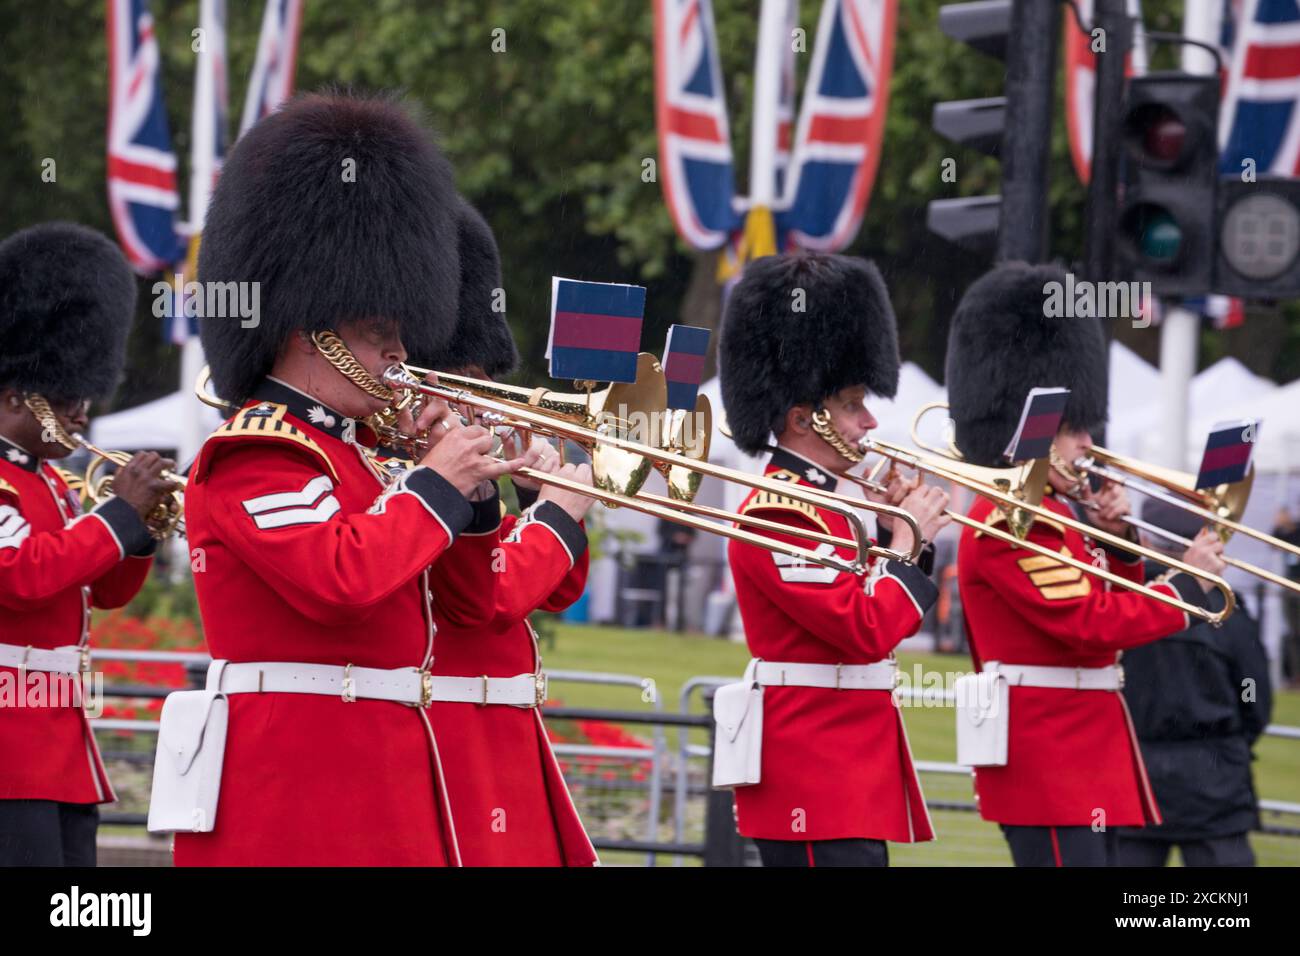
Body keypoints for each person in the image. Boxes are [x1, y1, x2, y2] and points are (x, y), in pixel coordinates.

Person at [173, 92, 534, 866]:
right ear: (312, 325)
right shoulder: (257, 451)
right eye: (380, 336)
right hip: (298, 800)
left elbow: (470, 606)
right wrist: (433, 485)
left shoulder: (367, 456)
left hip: (397, 788)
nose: (398, 360)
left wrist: (471, 499)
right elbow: (340, 579)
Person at [948, 261, 1228, 867]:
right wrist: (1187, 582)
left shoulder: (1058, 515)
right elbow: (1089, 623)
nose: (1088, 441)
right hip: (1046, 761)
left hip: (1088, 752)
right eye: (1074, 427)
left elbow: (1104, 617)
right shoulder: (1009, 522)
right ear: (1035, 428)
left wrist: (1122, 540)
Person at [718, 252, 950, 867]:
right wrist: (907, 545)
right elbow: (863, 628)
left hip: (844, 777)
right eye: (851, 404)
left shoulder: (828, 509)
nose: (869, 421)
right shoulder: (778, 513)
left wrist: (893, 532)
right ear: (802, 417)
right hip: (813, 779)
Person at [406, 200, 599, 866]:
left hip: (506, 734)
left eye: (485, 381)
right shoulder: (402, 474)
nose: (484, 397)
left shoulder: (453, 476)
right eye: (469, 381)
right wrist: (555, 514)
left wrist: (535, 501)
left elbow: (553, 591)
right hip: (449, 733)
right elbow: (489, 598)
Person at [0, 222, 178, 866]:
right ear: (19, 394)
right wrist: (119, 514)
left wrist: (142, 532)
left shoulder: (54, 482)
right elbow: (21, 574)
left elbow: (99, 590)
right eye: (69, 394)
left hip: (60, 740)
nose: (82, 411)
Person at [1117, 499, 1273, 867]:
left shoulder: (1122, 601)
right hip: (1213, 774)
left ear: (1144, 537)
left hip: (1136, 771)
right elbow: (1253, 693)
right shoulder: (1227, 611)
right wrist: (1234, 736)